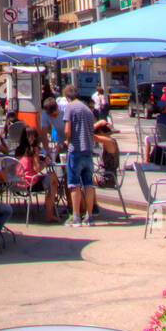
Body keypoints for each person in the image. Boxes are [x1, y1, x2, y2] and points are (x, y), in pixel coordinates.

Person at [62, 83, 98, 226]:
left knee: (74, 184)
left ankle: (76, 215)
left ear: (67, 97)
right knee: (89, 184)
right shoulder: (88, 110)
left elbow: (67, 130)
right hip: (88, 150)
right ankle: (89, 216)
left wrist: (66, 141)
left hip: (75, 149)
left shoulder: (70, 108)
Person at [16, 125, 60, 222]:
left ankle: (49, 204)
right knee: (53, 178)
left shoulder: (18, 150)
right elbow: (37, 169)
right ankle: (49, 212)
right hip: (31, 184)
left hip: (18, 183)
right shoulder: (34, 150)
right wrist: (45, 162)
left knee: (50, 177)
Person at [92, 120, 119, 188]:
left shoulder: (108, 141)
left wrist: (98, 123)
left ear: (100, 132)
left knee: (81, 180)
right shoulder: (112, 141)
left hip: (106, 179)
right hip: (110, 178)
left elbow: (88, 134)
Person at [40, 93, 64, 158]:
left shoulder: (64, 110)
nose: (53, 117)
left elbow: (71, 130)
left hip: (71, 138)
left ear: (57, 107)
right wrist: (46, 149)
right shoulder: (45, 114)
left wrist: (62, 144)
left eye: (55, 115)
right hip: (60, 139)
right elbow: (44, 133)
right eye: (51, 116)